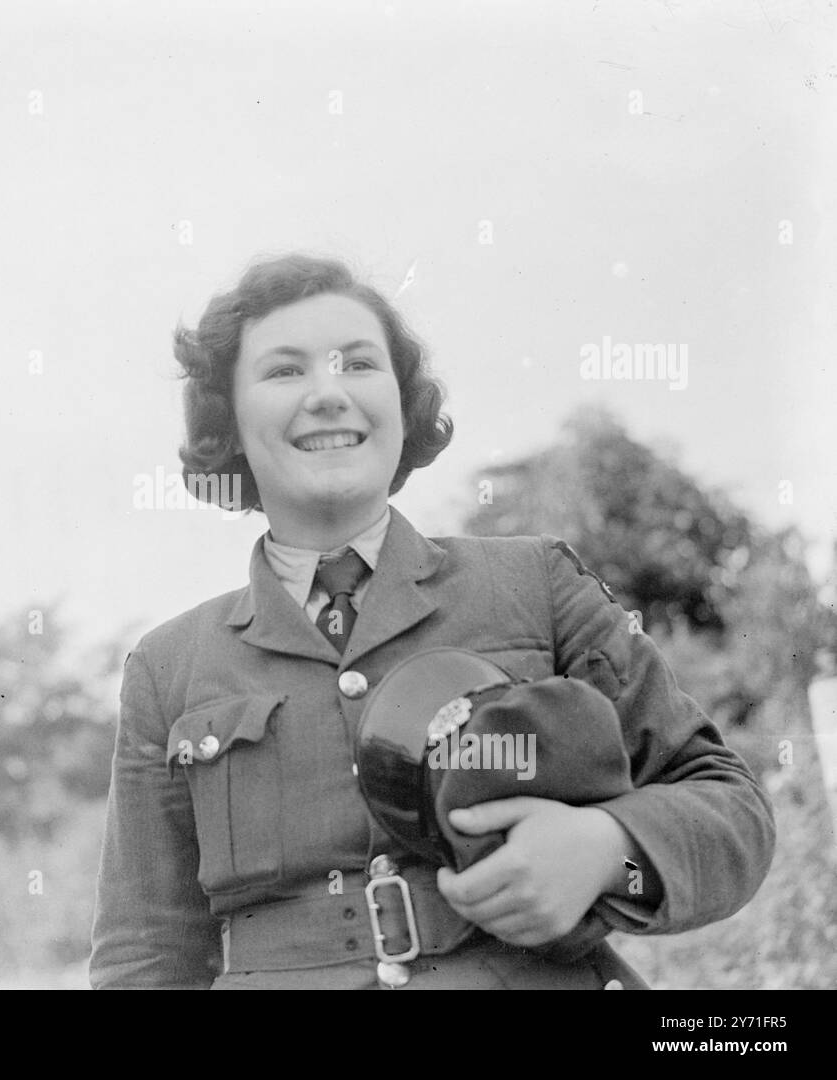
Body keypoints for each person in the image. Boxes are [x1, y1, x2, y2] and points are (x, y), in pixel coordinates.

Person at [88, 253, 775, 989]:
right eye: (285, 371)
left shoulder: (536, 584)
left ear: (401, 400)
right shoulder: (168, 669)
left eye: (357, 364)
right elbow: (145, 954)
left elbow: (730, 805)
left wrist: (606, 847)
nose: (328, 395)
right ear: (228, 419)